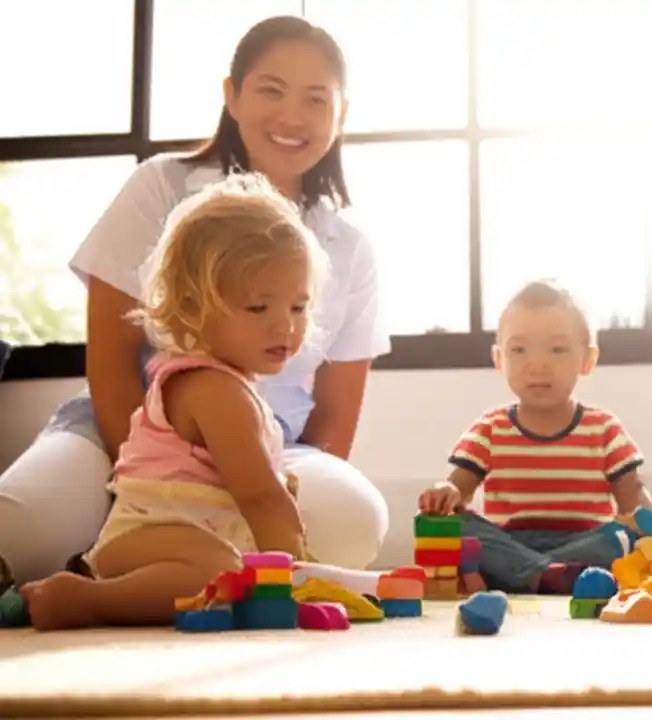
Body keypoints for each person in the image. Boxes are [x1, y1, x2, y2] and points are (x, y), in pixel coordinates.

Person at [0, 16, 389, 593]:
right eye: (271, 90)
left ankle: (132, 570)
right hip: (131, 427)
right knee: (19, 528)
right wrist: (139, 482)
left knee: (354, 523)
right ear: (232, 95)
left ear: (341, 114)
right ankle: (108, 562)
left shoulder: (350, 248)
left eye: (315, 98)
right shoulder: (161, 186)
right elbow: (110, 354)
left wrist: (262, 486)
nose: (291, 116)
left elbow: (336, 413)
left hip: (269, 445)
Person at [21, 174, 322, 630]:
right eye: (259, 308)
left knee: (231, 573)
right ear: (191, 306)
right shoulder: (212, 388)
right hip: (146, 540)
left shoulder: (238, 385)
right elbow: (262, 497)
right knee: (223, 573)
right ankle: (89, 598)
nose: (285, 325)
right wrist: (301, 576)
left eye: (298, 307)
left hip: (195, 541)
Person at [418, 280, 652, 594]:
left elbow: (632, 493)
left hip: (584, 540)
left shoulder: (603, 428)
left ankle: (529, 574)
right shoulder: (490, 428)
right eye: (519, 350)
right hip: (509, 540)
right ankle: (548, 574)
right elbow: (458, 490)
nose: (537, 365)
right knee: (461, 526)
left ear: (587, 360)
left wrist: (648, 524)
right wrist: (444, 492)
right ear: (499, 359)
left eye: (557, 349)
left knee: (618, 537)